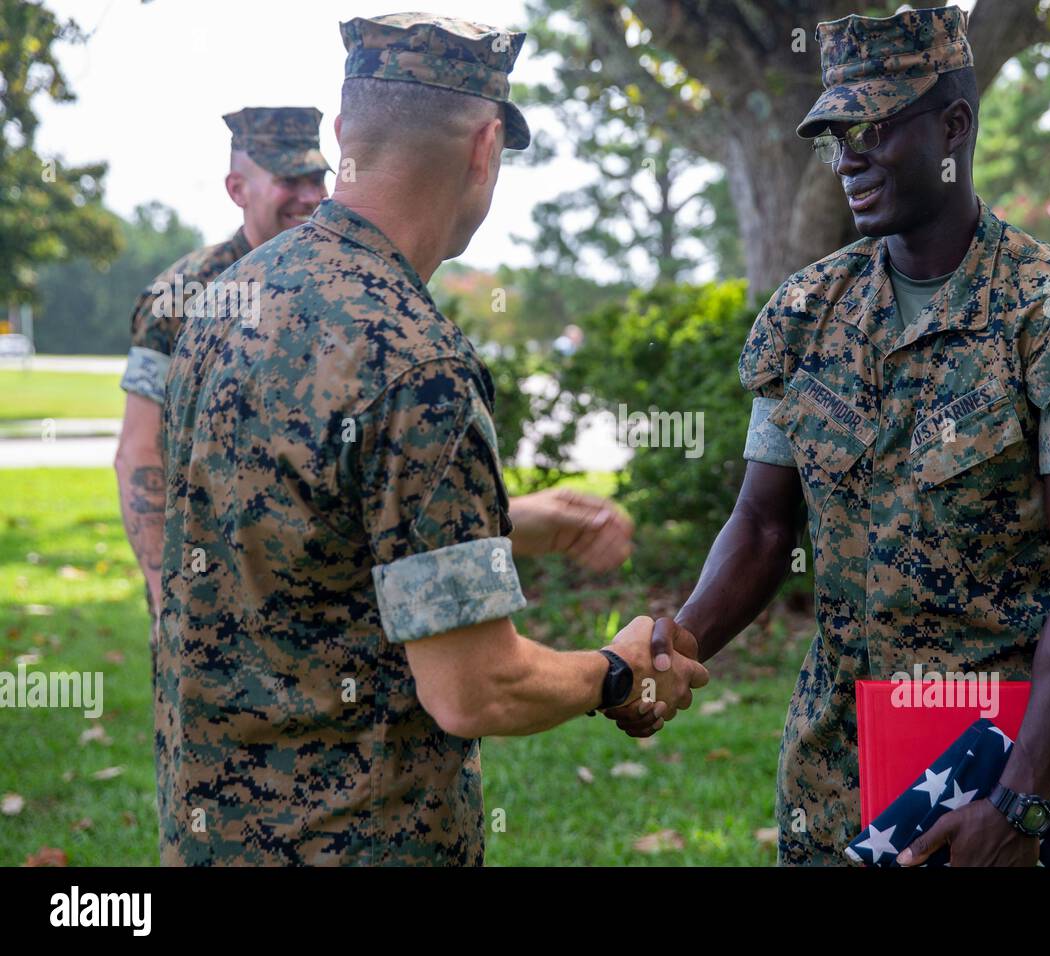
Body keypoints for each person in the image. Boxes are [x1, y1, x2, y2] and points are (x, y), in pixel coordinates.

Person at [606, 5, 1050, 867]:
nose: (849, 156)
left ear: (954, 125)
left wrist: (1019, 799)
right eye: (835, 134)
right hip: (836, 763)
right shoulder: (802, 315)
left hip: (1003, 754)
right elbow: (762, 527)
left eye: (873, 127)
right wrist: (676, 647)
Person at [155, 13, 705, 866]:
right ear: (486, 147)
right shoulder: (418, 365)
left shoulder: (229, 300)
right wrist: (617, 669)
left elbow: (296, 521)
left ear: (343, 134)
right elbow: (475, 690)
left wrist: (505, 518)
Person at [115, 107, 330, 622]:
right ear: (238, 189)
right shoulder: (182, 295)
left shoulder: (336, 285)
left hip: (322, 601)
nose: (309, 196)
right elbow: (139, 452)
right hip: (211, 603)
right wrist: (166, 596)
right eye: (288, 180)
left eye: (317, 178)